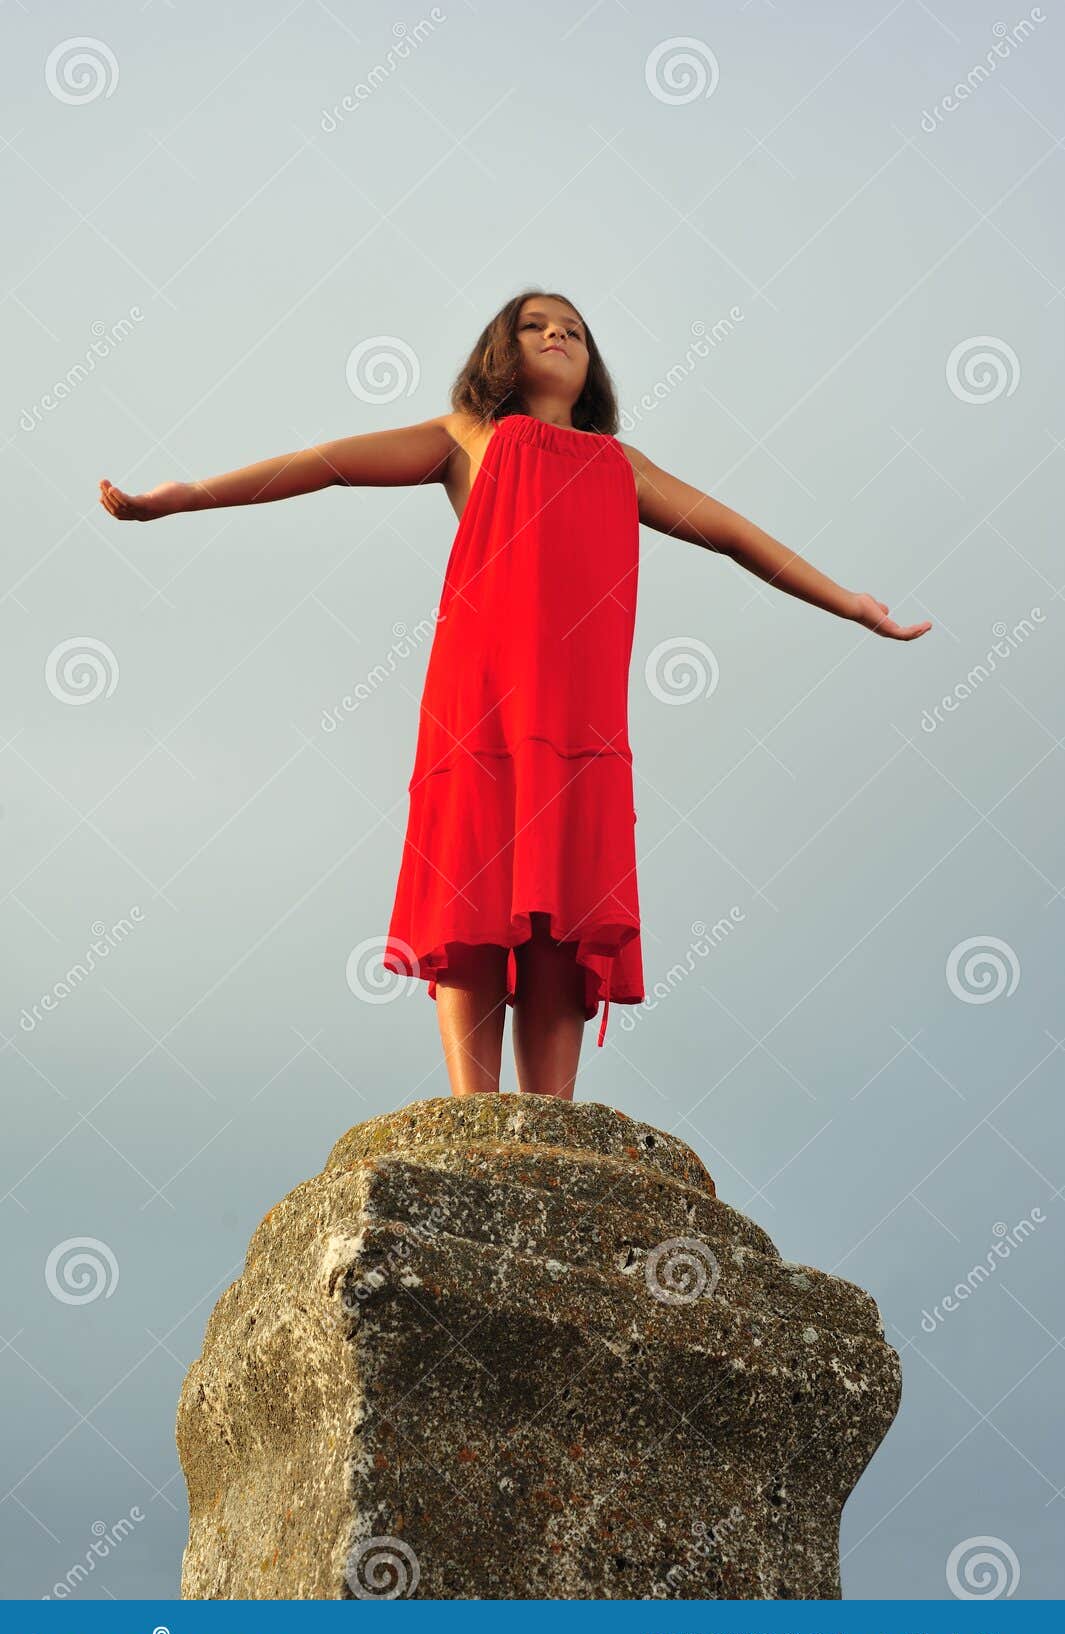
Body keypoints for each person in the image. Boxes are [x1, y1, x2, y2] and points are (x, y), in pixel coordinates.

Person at [99, 289, 931, 1103]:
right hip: (482, 703)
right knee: (473, 885)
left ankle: (549, 1123)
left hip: (580, 719)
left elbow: (737, 535)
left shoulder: (621, 465)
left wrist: (851, 604)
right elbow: (324, 466)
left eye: (573, 328)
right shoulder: (468, 437)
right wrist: (180, 497)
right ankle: (474, 1119)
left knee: (562, 907)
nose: (558, 335)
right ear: (501, 352)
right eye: (535, 326)